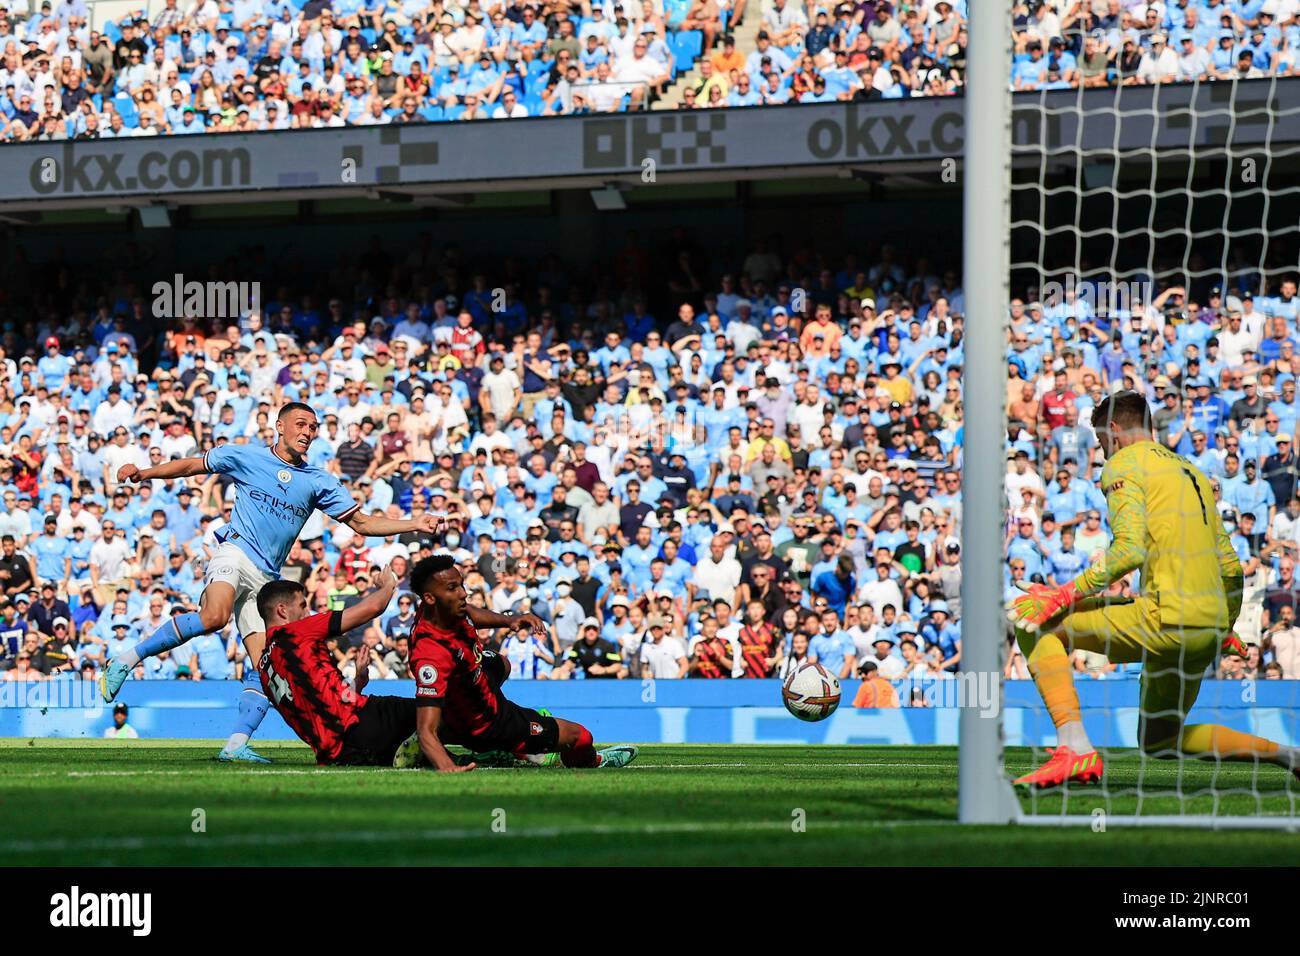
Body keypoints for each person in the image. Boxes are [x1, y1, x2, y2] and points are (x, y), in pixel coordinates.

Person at [99, 403, 446, 762]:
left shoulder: (317, 480)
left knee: (269, 667)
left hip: (267, 580)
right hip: (234, 553)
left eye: (313, 427)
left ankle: (234, 745)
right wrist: (144, 473)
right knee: (215, 617)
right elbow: (192, 465)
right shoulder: (246, 456)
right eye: (301, 424)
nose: (308, 432)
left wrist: (415, 523)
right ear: (279, 426)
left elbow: (362, 523)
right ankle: (126, 659)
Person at [1009, 391, 1300, 787]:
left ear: (1113, 431)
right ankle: (1289, 755)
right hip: (1209, 626)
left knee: (1035, 620)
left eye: (1100, 442)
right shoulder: (1193, 472)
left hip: (1165, 619)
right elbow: (1230, 568)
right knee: (1159, 740)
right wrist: (1226, 629)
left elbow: (1129, 550)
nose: (1103, 452)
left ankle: (1074, 747)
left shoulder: (1124, 464)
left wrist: (1063, 594)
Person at [404, 555, 637, 771]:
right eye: (453, 588)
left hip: (475, 690)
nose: (463, 593)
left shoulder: (441, 609)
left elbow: (470, 612)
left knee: (501, 663)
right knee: (581, 737)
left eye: (462, 584)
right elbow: (425, 729)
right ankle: (591, 761)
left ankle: (453, 729)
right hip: (490, 723)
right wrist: (447, 767)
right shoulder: (431, 654)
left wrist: (511, 621)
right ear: (429, 597)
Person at [254, 566, 414, 765]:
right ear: (282, 610)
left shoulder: (264, 668)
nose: (308, 611)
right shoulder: (298, 631)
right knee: (434, 712)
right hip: (363, 721)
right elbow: (374, 608)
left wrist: (358, 681)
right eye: (303, 605)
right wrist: (387, 585)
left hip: (341, 754)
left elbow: (321, 708)